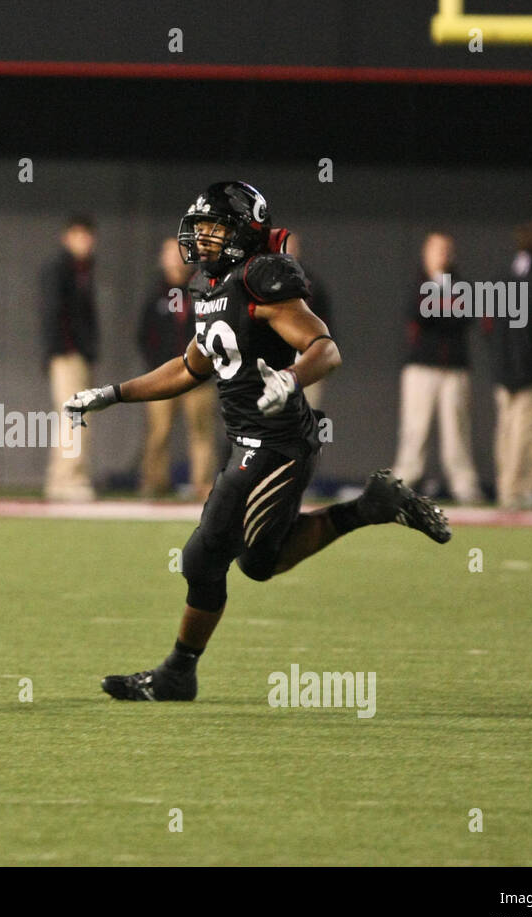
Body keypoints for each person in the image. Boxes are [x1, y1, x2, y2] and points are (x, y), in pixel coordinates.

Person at [64, 181, 451, 702]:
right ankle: (370, 507)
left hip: (279, 443)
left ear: (243, 232)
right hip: (249, 442)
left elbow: (325, 349)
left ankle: (179, 674)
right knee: (255, 562)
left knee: (208, 559)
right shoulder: (219, 288)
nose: (200, 240)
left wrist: (291, 378)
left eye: (213, 229)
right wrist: (115, 393)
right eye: (198, 229)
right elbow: (188, 368)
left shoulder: (260, 278)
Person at [389, 233, 481, 503]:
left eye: (447, 250)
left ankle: (464, 485)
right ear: (425, 253)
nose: (443, 254)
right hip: (420, 368)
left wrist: (441, 309)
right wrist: (445, 309)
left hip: (454, 368)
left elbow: (465, 316)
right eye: (437, 249)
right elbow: (419, 313)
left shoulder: (460, 285)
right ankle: (403, 482)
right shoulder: (418, 283)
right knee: (414, 428)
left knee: (457, 430)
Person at [137, 237, 216, 499]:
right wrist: (154, 368)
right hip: (164, 377)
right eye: (169, 253)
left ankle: (202, 485)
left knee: (202, 432)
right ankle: (154, 482)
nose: (174, 259)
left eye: (180, 253)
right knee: (158, 431)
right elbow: (142, 336)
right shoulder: (155, 295)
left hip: (198, 376)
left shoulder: (203, 290)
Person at [490, 224, 532, 509]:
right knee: (523, 433)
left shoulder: (502, 279)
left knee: (506, 431)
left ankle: (508, 486)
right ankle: (515, 490)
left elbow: (488, 326)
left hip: (505, 370)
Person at [41, 215, 98, 501]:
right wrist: (66, 349)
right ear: (67, 237)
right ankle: (68, 479)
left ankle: (61, 478)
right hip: (67, 354)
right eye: (78, 235)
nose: (84, 241)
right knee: (74, 416)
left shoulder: (82, 270)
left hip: (76, 354)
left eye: (87, 235)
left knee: (72, 415)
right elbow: (54, 314)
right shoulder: (60, 269)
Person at [283, 232, 332, 412]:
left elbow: (325, 325)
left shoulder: (312, 284)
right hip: (275, 364)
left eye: (290, 247)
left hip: (306, 363)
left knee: (306, 418)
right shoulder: (263, 282)